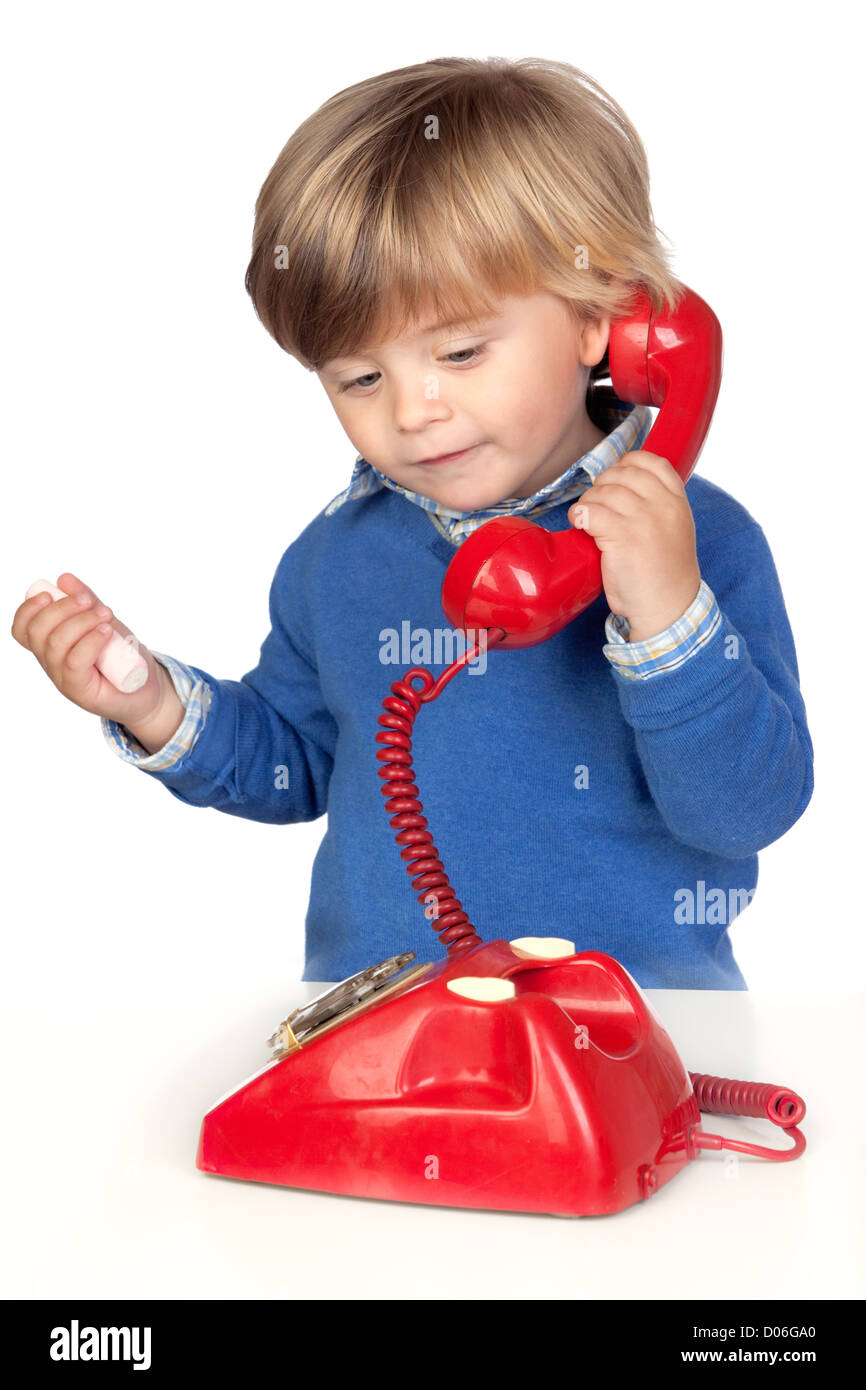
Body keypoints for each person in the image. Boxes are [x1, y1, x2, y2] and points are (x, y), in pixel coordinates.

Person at [11, 57, 813, 988]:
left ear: (603, 322)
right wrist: (149, 702)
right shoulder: (337, 557)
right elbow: (297, 767)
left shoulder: (700, 542)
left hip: (636, 1046)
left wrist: (670, 617)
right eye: (360, 378)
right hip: (390, 1040)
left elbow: (746, 811)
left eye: (462, 351)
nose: (413, 410)